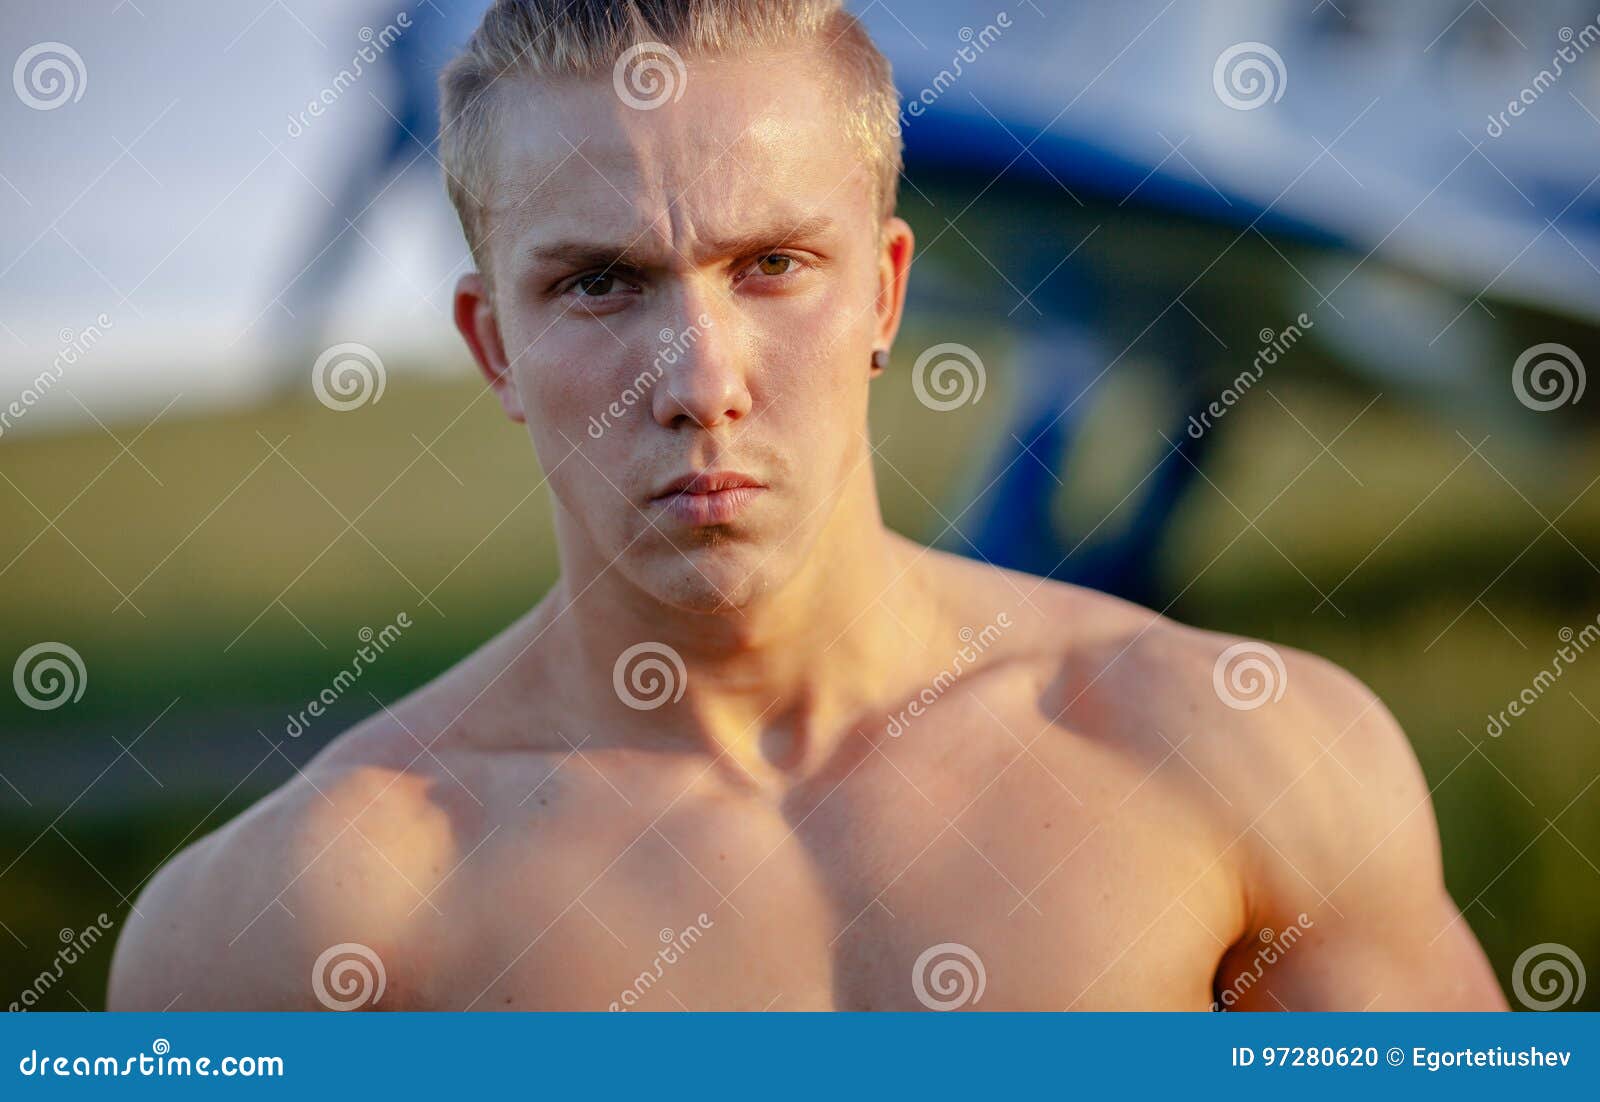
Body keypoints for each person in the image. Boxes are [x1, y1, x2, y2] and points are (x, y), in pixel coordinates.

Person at [108, 0, 1505, 1012]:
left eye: (772, 264)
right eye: (599, 282)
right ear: (492, 349)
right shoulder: (294, 922)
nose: (700, 379)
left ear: (887, 292)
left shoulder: (1253, 755)